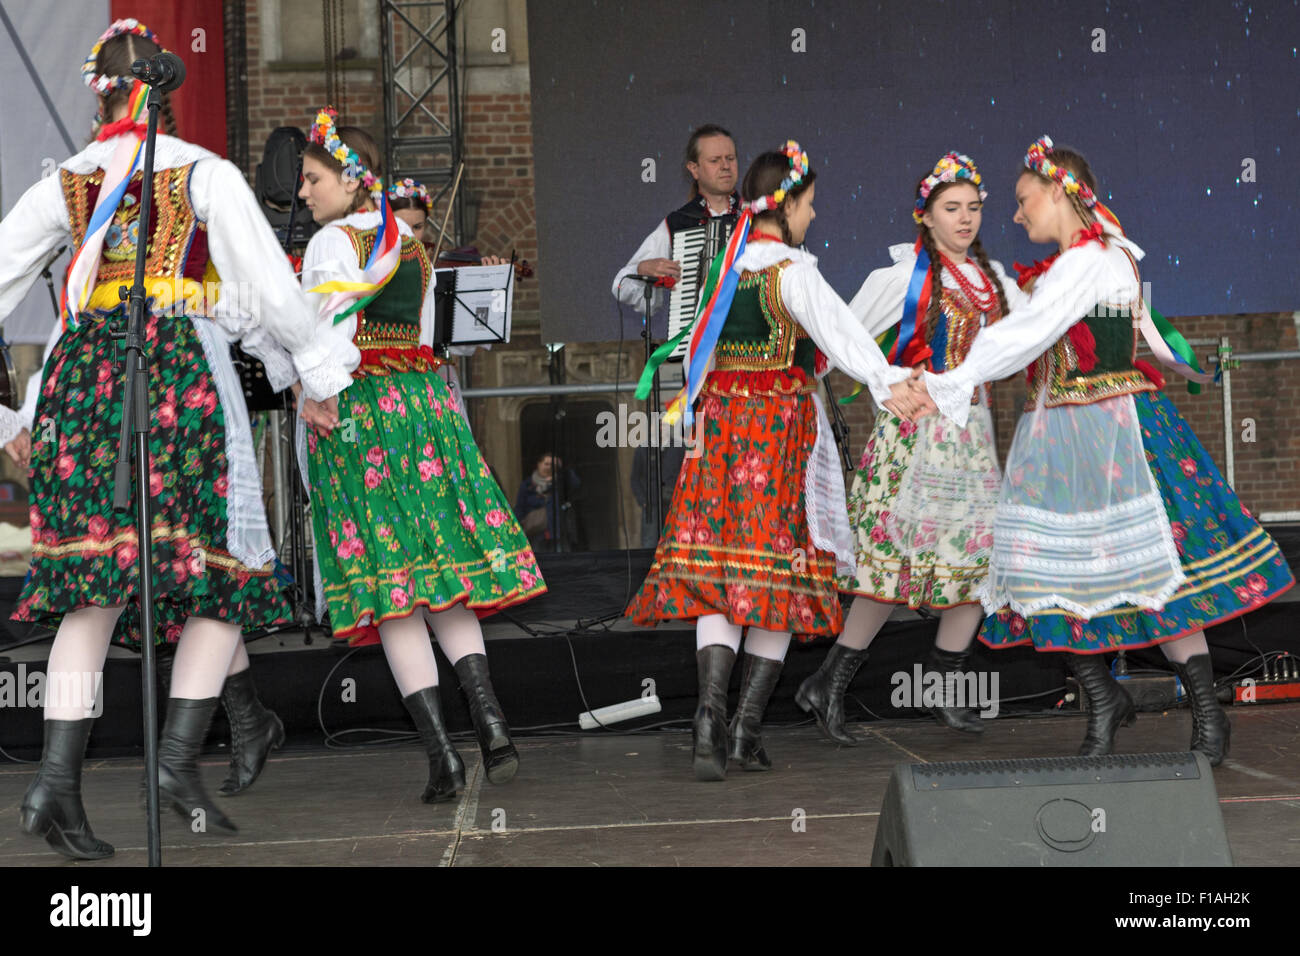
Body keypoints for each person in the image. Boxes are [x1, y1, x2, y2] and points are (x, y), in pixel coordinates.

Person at [7, 20, 349, 860]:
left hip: (87, 381)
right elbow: (270, 287)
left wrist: (15, 414)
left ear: (102, 91)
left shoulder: (67, 184)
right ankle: (172, 761)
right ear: (164, 90)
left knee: (94, 585)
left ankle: (56, 781)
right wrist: (316, 374)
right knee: (225, 574)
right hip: (174, 378)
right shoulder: (203, 172)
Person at [917, 136, 1295, 764]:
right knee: (1053, 574)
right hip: (1064, 434)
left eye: (1021, 199)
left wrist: (942, 384)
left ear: (1059, 189)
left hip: (1111, 431)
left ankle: (1207, 718)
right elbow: (1026, 333)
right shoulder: (1084, 260)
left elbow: (1025, 335)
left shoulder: (1090, 262)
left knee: (1155, 576)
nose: (1014, 214)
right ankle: (1101, 699)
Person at [626, 141, 932, 780]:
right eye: (810, 204)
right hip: (777, 434)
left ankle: (710, 715)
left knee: (722, 570)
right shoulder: (792, 271)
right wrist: (890, 384)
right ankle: (744, 729)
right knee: (781, 574)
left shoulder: (724, 269)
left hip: (719, 432)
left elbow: (696, 360)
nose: (813, 217)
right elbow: (844, 338)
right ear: (787, 204)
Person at [296, 108, 546, 801]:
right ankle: (491, 722)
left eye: (314, 179)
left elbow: (324, 337)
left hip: (366, 415)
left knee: (396, 590)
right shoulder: (408, 243)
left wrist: (312, 392)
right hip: (428, 412)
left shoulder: (332, 245)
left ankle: (443, 756)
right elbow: (439, 336)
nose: (306, 193)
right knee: (446, 572)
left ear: (350, 179)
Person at [797, 153, 1019, 743]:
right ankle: (830, 682)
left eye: (973, 208)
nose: (965, 219)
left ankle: (945, 690)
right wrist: (879, 387)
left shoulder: (995, 281)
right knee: (890, 567)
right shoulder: (899, 278)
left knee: (977, 565)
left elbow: (1033, 335)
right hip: (912, 442)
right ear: (925, 215)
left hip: (971, 444)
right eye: (952, 209)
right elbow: (837, 337)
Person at [611, 124, 742, 314]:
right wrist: (643, 268)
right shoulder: (679, 223)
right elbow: (620, 284)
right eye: (715, 160)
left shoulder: (756, 216)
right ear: (694, 169)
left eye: (730, 158)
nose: (725, 166)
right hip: (697, 339)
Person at [514, 452, 581, 552]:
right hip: (536, 533)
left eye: (553, 465)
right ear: (539, 464)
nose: (549, 467)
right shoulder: (528, 484)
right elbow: (519, 508)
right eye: (546, 464)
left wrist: (563, 468)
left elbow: (575, 484)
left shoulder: (561, 481)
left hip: (558, 533)